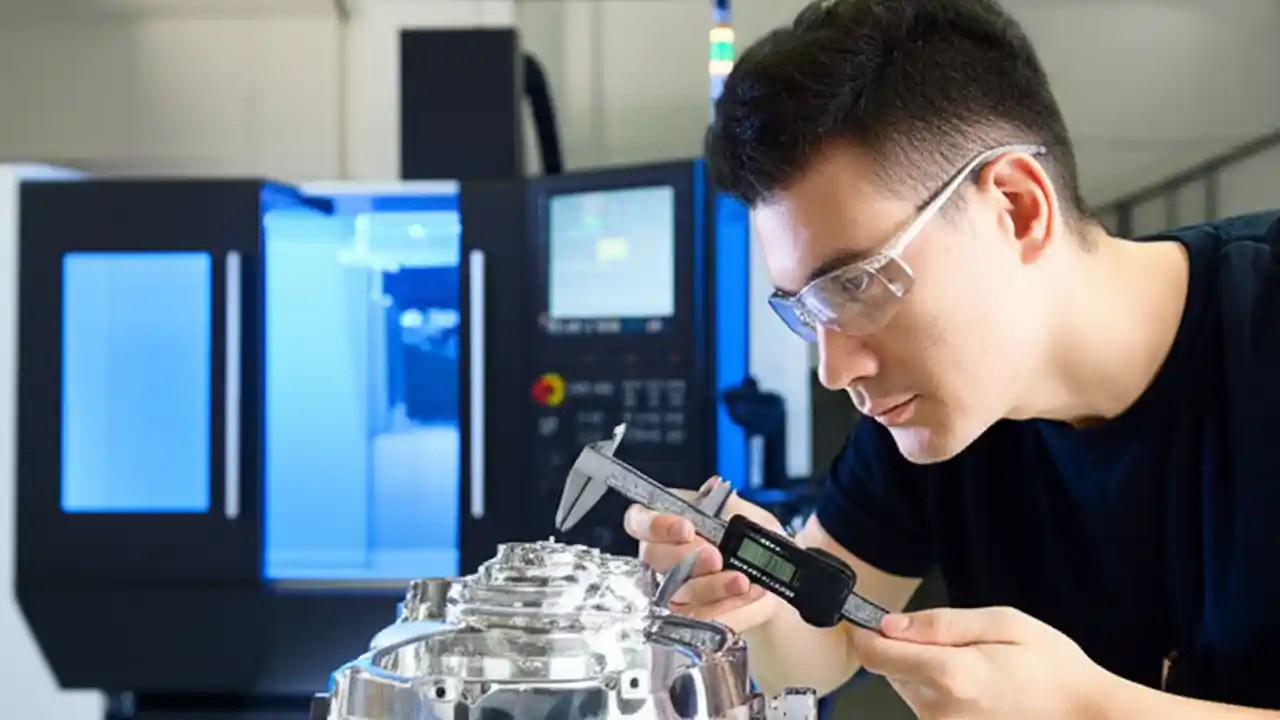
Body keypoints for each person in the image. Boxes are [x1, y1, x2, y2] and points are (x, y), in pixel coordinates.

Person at [623, 0, 1280, 718]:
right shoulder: (938, 414)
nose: (836, 371)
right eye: (808, 311)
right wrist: (751, 592)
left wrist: (1088, 709)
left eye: (857, 287)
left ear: (1018, 209)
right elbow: (824, 646)